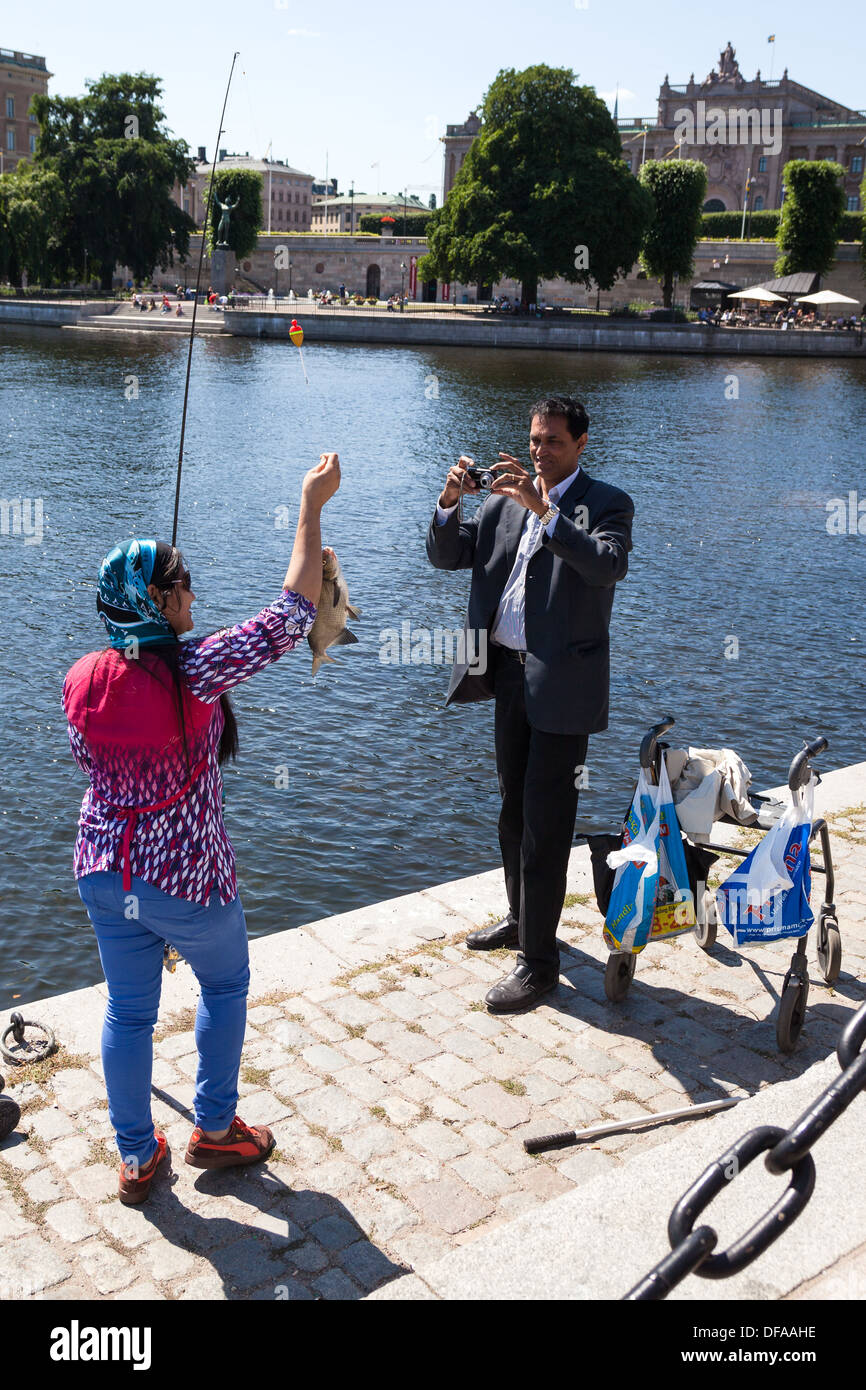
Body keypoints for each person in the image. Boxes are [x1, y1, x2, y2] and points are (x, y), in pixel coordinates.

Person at [62, 455, 341, 1204]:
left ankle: (135, 1155)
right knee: (225, 983)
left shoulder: (82, 678)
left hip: (103, 872)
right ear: (155, 600)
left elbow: (91, 762)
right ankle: (215, 1130)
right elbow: (292, 616)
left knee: (127, 1011)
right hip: (187, 879)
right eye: (182, 583)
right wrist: (310, 506)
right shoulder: (196, 669)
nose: (194, 591)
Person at [426, 396, 633, 1013]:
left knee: (547, 825)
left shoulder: (606, 503)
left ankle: (539, 964)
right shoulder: (500, 502)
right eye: (536, 441)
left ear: (582, 444)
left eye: (555, 444)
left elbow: (606, 566)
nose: (541, 452)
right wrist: (448, 502)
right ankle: (523, 922)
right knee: (513, 811)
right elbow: (444, 555)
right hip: (507, 682)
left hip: (564, 687)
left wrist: (545, 511)